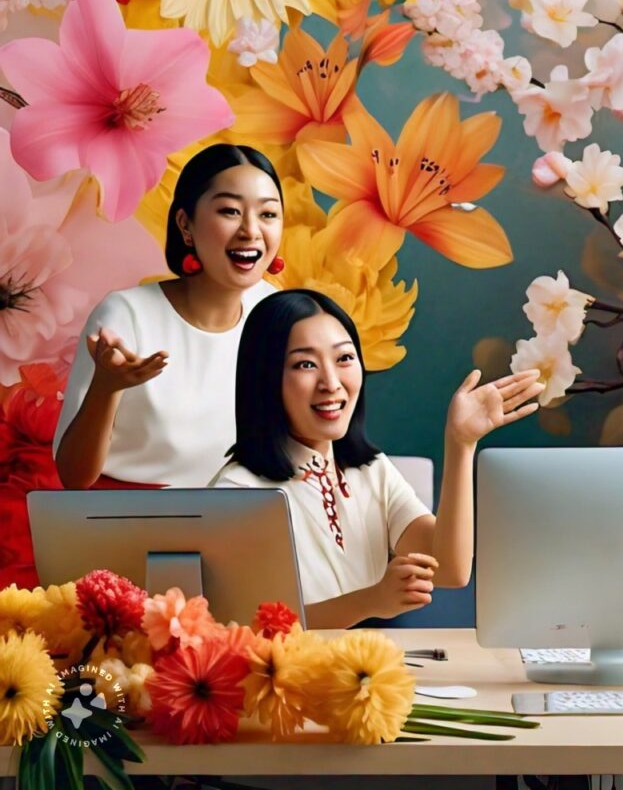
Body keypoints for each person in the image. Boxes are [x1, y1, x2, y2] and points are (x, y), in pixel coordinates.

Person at [211, 289, 544, 628]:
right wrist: (370, 600)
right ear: (265, 379)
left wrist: (460, 445)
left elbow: (449, 568)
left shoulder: (371, 471)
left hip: (371, 672)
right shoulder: (237, 493)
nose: (331, 383)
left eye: (344, 359)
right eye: (305, 364)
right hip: (290, 678)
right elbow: (251, 628)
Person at [53, 143, 285, 490]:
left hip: (242, 523)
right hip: (130, 526)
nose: (251, 231)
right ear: (185, 224)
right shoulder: (127, 316)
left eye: (268, 214)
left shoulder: (277, 313)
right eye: (230, 211)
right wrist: (107, 387)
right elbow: (73, 476)